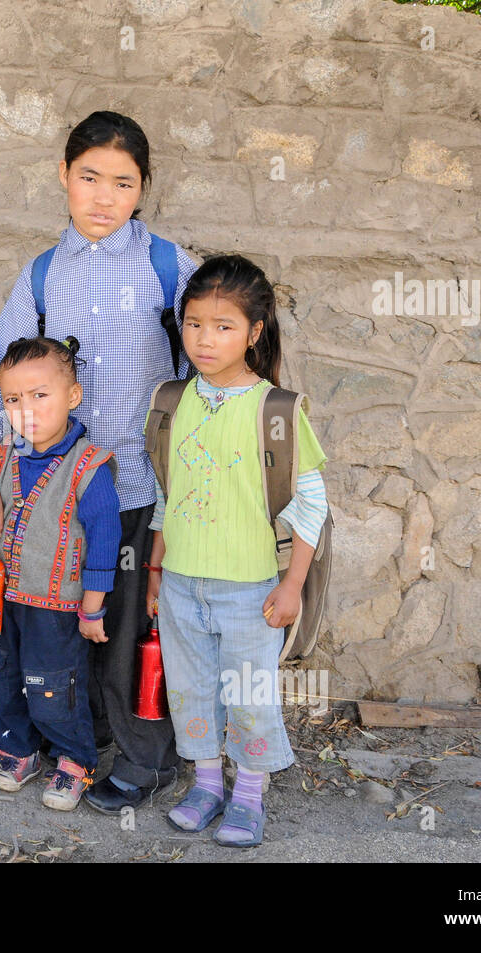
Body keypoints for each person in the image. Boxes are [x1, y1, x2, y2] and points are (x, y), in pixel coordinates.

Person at [0, 110, 200, 814]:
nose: (103, 196)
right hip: (49, 494)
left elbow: (204, 372)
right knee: (63, 623)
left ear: (143, 189)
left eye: (122, 183)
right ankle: (75, 744)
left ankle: (145, 758)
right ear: (63, 176)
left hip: (134, 487)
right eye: (89, 177)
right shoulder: (38, 278)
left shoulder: (169, 269)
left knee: (127, 624)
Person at [147, 254, 329, 846]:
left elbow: (310, 505)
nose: (205, 339)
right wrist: (154, 572)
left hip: (252, 588)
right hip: (179, 583)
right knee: (191, 689)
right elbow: (163, 494)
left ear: (254, 332)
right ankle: (205, 785)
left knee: (249, 694)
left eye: (224, 326)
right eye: (194, 323)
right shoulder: (172, 401)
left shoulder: (277, 411)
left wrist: (292, 586)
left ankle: (248, 795)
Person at [0, 336, 121, 811]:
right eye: (13, 399)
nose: (25, 409)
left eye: (39, 394)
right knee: (4, 676)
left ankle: (75, 760)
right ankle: (17, 750)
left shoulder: (90, 466)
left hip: (56, 608)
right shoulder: (1, 459)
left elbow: (105, 540)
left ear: (72, 396)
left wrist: (94, 605)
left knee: (53, 684)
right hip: (1, 601)